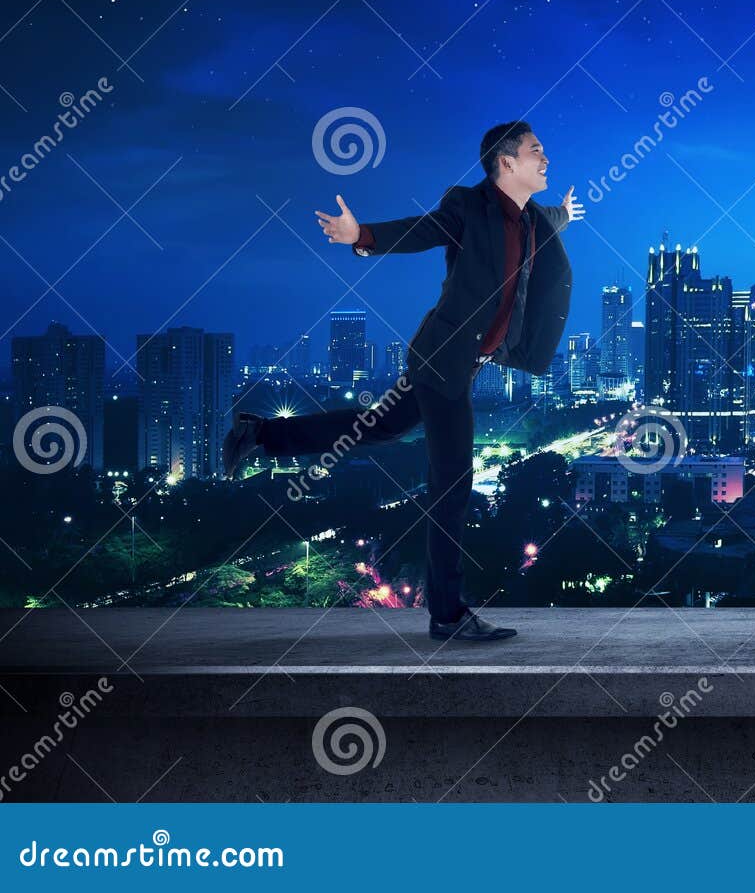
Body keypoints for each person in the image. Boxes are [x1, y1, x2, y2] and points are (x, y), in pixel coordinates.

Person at [223, 122, 584, 642]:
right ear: (506, 162)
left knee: (381, 426)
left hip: (460, 361)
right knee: (453, 483)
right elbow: (421, 230)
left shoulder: (530, 218)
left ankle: (259, 434)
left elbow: (549, 217)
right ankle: (448, 614)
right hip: (442, 359)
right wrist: (361, 236)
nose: (546, 159)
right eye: (536, 151)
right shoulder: (468, 206)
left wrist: (565, 213)